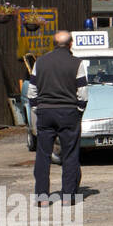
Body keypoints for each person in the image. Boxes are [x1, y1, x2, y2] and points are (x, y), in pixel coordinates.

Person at [27, 31, 89, 206]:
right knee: (70, 155)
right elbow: (83, 94)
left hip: (45, 112)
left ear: (53, 43)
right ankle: (68, 197)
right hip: (69, 113)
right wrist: (78, 111)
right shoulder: (77, 63)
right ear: (71, 44)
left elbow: (32, 92)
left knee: (43, 156)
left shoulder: (40, 62)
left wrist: (38, 110)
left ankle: (42, 198)